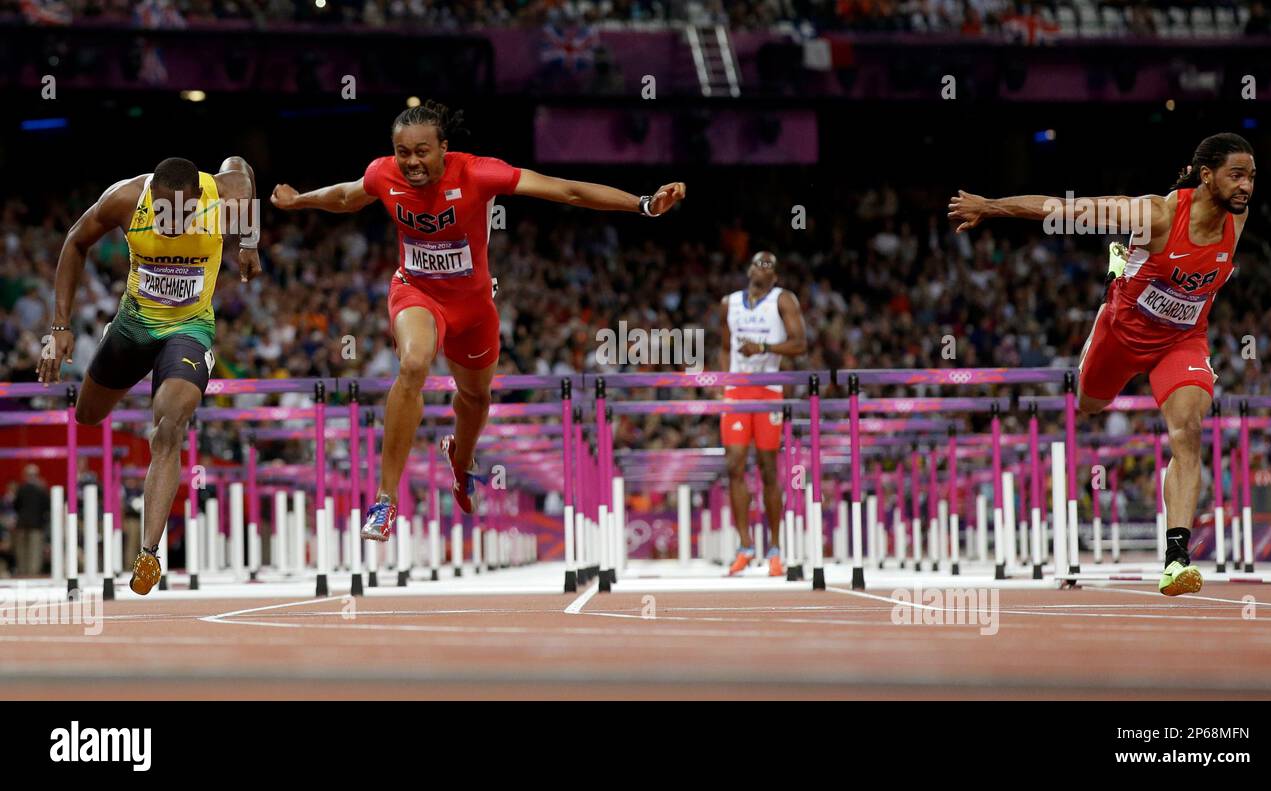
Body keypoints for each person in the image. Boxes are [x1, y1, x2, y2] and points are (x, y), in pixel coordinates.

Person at [270, 100, 685, 541]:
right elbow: (346, 196)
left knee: (476, 400)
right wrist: (300, 201)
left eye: (422, 152)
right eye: (403, 152)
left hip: (473, 308)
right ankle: (384, 501)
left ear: (443, 148)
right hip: (417, 291)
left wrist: (642, 204)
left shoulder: (477, 173)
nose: (411, 162)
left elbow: (566, 191)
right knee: (412, 365)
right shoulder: (382, 173)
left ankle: (462, 460)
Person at [948, 132, 1254, 596]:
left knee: (1188, 429)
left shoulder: (1239, 217)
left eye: (1252, 176)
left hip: (1183, 340)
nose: (1246, 186)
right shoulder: (1154, 214)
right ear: (1206, 175)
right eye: (1236, 175)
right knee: (1089, 403)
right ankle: (1117, 268)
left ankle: (1176, 558)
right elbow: (1062, 210)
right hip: (1122, 332)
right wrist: (990, 206)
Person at [37, 156, 262, 595]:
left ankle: (148, 555)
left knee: (168, 427)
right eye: (159, 210)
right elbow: (74, 242)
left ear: (197, 199)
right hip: (134, 324)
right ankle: (125, 357)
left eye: (176, 213)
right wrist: (60, 327)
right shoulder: (126, 198)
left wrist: (249, 243)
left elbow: (244, 169)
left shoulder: (224, 194)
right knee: (87, 416)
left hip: (190, 329)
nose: (165, 221)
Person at [719, 251, 807, 576]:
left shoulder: (783, 300)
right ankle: (745, 546)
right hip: (736, 390)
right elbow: (724, 345)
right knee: (734, 465)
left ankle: (775, 548)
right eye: (758, 262)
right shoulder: (729, 303)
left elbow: (800, 344)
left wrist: (764, 348)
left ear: (776, 276)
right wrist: (720, 383)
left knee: (769, 469)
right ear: (748, 269)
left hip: (769, 388)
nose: (762, 267)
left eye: (769, 264)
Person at [13, 464, 50, 577]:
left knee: (22, 550)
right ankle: (33, 573)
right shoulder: (41, 489)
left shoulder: (21, 488)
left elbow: (16, 505)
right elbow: (47, 505)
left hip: (22, 523)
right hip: (36, 524)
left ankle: (22, 572)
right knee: (35, 550)